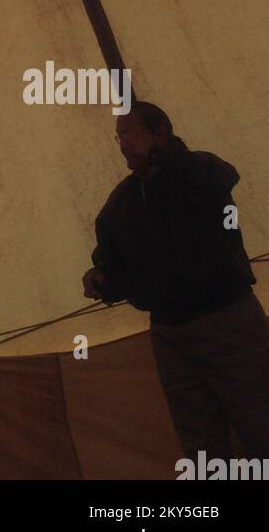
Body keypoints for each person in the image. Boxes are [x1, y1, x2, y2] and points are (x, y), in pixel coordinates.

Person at [83, 101, 269, 463]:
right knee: (199, 438)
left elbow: (220, 180)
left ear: (159, 133)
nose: (122, 143)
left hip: (227, 319)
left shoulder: (200, 171)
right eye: (118, 137)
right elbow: (114, 265)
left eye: (129, 133)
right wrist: (101, 278)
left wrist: (167, 160)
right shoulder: (121, 203)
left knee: (259, 417)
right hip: (170, 333)